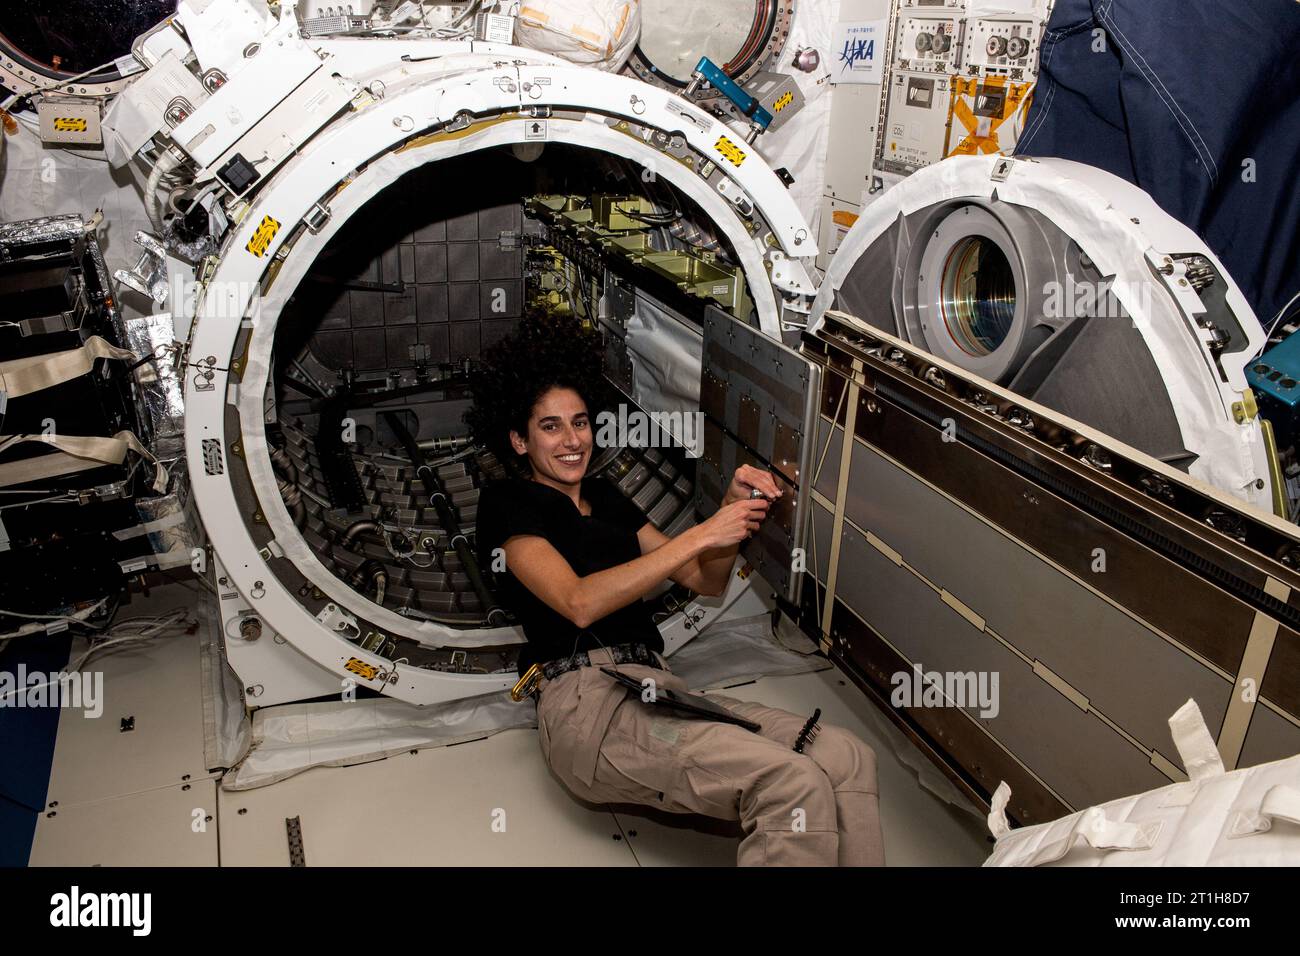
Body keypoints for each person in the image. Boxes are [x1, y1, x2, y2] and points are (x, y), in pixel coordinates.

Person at [468, 313, 884, 866]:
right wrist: (702, 534)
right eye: (550, 427)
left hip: (656, 685)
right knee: (791, 781)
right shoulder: (507, 505)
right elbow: (579, 602)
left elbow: (705, 580)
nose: (572, 440)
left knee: (846, 756)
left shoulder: (606, 498)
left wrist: (730, 510)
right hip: (585, 704)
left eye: (581, 422)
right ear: (519, 440)